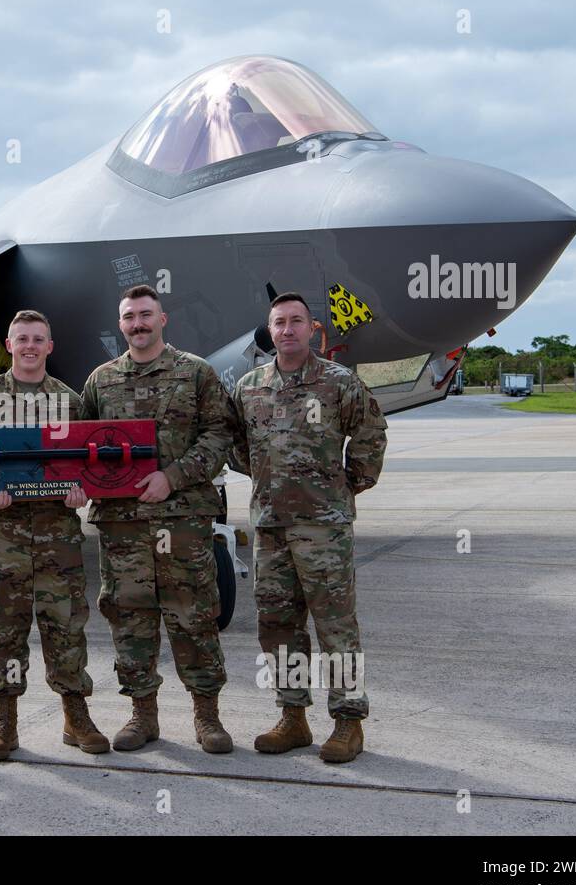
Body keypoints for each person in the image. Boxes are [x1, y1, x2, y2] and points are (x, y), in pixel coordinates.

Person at [228, 292, 387, 763]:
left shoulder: (340, 383)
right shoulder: (251, 386)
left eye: (297, 321)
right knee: (278, 625)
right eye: (279, 323)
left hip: (324, 528)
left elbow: (371, 435)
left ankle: (347, 721)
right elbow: (238, 445)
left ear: (311, 328)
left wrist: (346, 486)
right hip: (271, 526)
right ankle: (293, 716)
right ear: (270, 331)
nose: (288, 330)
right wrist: (265, 478)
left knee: (335, 625)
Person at [80, 285, 234, 754]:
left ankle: (207, 717)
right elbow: (82, 448)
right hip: (122, 525)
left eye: (146, 315)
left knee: (194, 617)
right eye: (129, 317)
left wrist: (174, 476)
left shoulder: (195, 373)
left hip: (182, 520)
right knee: (129, 618)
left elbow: (219, 435)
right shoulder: (101, 380)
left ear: (162, 319)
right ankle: (142, 715)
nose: (138, 324)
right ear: (121, 324)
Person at [0, 310, 109, 761]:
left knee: (66, 626)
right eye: (21, 339)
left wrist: (81, 492)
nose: (30, 346)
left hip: (58, 538)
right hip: (4, 539)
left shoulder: (71, 402)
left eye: (38, 339)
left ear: (50, 347)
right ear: (9, 345)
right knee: (5, 630)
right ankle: (5, 722)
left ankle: (76, 715)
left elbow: (87, 463)